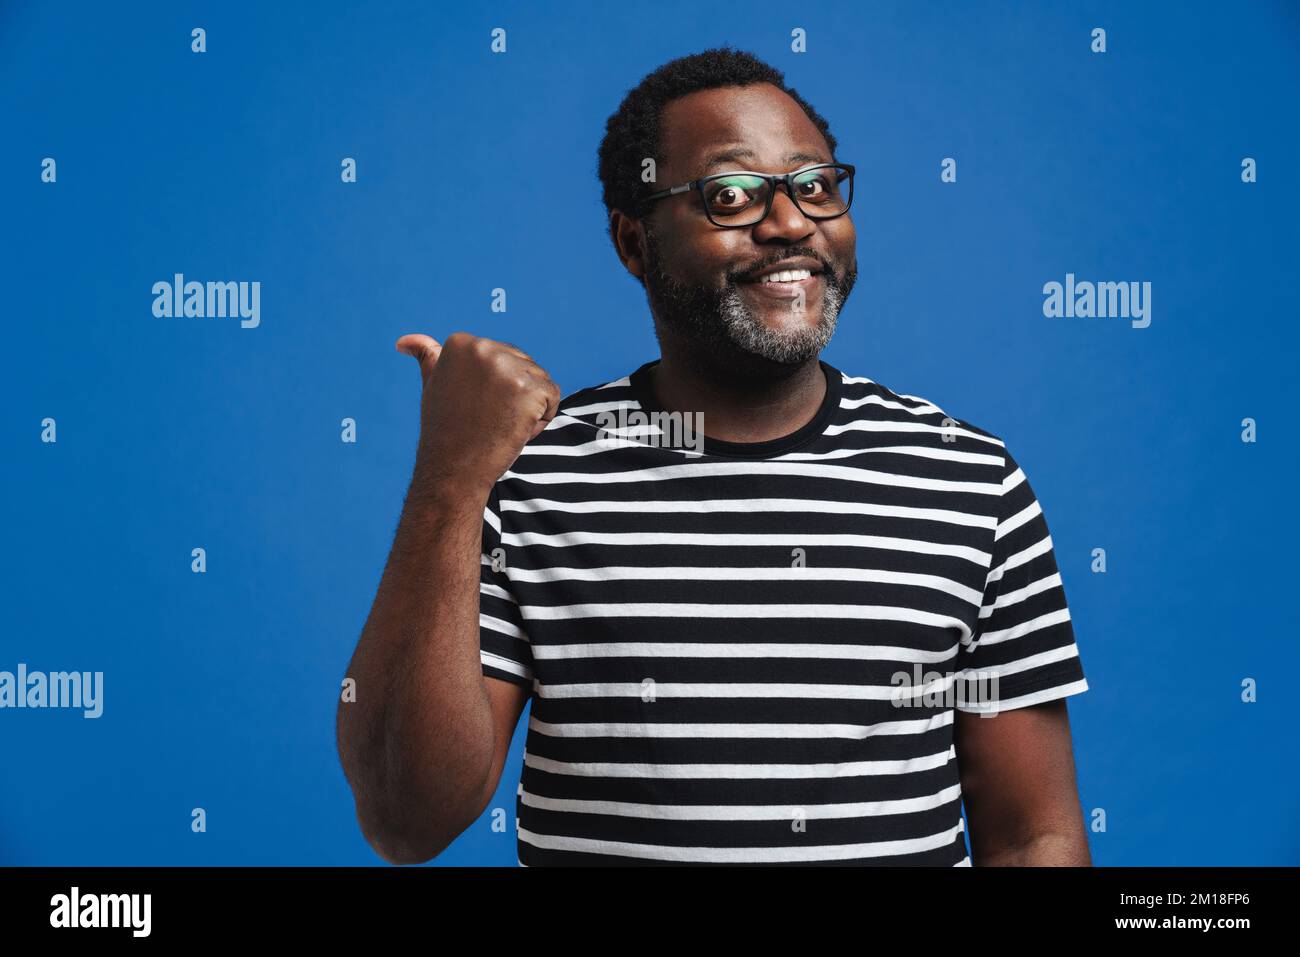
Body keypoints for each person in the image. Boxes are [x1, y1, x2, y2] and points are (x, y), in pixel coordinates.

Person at [337, 46, 1090, 866]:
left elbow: (1033, 834)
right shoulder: (535, 475)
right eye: (730, 194)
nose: (791, 223)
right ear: (635, 243)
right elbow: (405, 817)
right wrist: (450, 478)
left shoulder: (968, 482)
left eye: (815, 186)